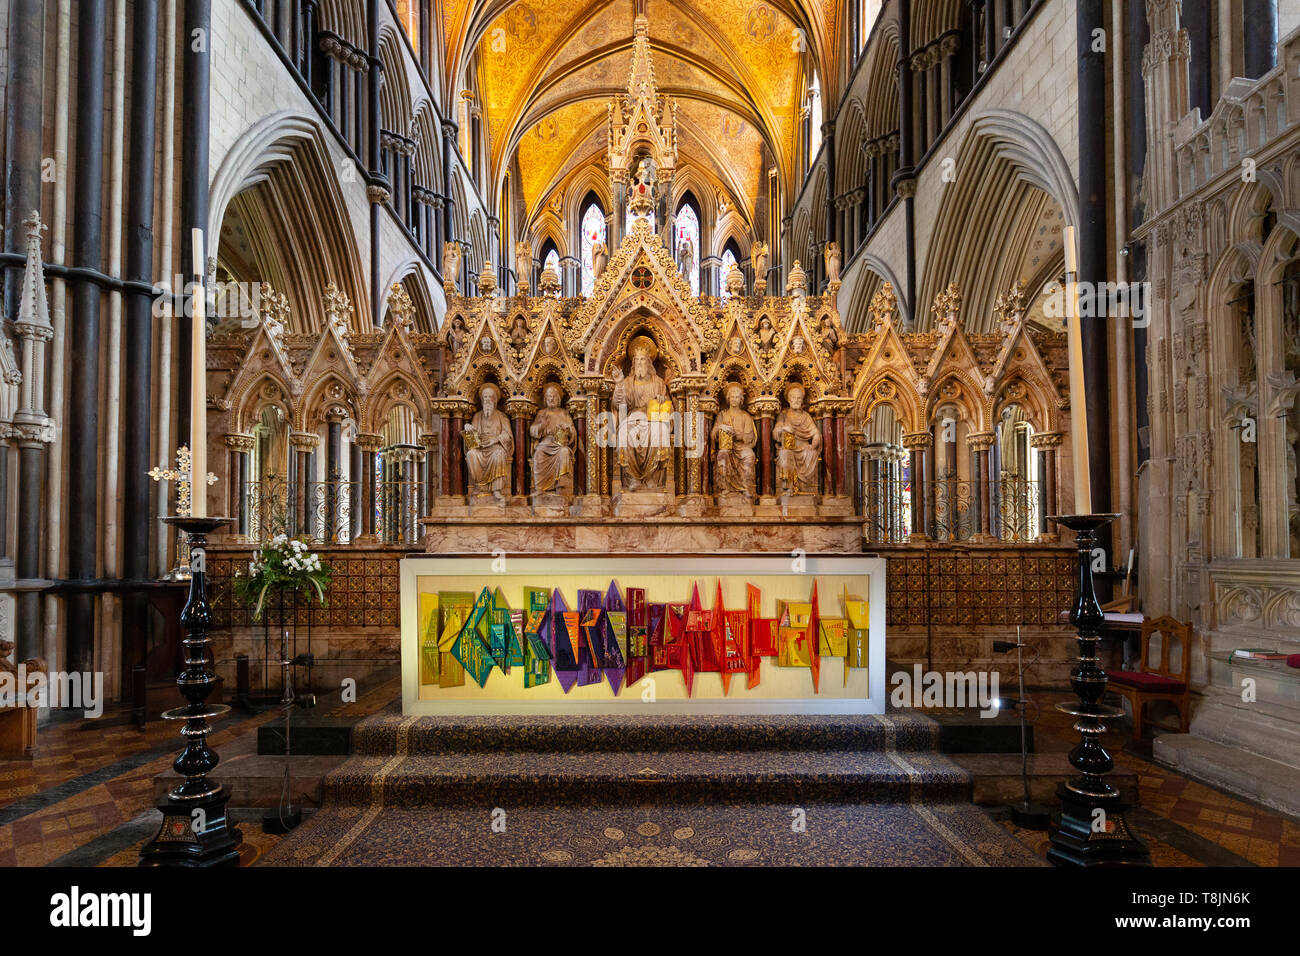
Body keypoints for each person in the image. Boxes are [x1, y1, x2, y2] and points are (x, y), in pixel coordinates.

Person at [611, 335, 672, 491]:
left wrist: (661, 402)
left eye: (643, 360)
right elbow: (619, 403)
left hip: (652, 419)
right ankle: (633, 479)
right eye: (637, 360)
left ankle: (651, 477)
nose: (640, 363)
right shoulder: (627, 382)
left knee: (660, 433)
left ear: (649, 361)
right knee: (624, 434)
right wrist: (618, 384)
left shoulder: (658, 382)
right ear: (633, 363)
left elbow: (668, 406)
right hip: (632, 418)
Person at [464, 383, 514, 501]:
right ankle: (479, 486)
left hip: (496, 446)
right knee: (471, 454)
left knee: (499, 453)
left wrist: (496, 439)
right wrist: (467, 427)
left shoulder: (501, 416)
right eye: (485, 397)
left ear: (495, 399)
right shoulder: (477, 416)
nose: (487, 400)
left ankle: (496, 490)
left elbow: (508, 435)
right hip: (480, 446)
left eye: (490, 397)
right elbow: (473, 434)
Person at [774, 384, 821, 496]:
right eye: (793, 397)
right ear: (789, 400)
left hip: (803, 447)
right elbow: (776, 432)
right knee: (785, 453)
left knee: (812, 453)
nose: (796, 400)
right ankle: (788, 487)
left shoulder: (806, 416)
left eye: (798, 398)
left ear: (802, 400)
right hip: (788, 446)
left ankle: (807, 489)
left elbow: (815, 432)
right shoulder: (783, 415)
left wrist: (814, 442)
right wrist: (783, 428)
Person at [712, 383, 757, 498]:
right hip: (726, 447)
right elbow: (713, 434)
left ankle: (746, 487)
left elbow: (749, 437)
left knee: (749, 456)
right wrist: (720, 427)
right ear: (728, 398)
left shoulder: (745, 416)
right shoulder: (722, 415)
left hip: (741, 447)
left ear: (741, 399)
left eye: (737, 397)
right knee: (722, 454)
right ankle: (724, 487)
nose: (734, 399)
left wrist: (735, 435)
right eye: (732, 396)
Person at [530, 383, 575, 497]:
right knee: (538, 454)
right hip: (545, 443)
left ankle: (562, 487)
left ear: (559, 398)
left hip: (560, 444)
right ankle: (540, 488)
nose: (552, 398)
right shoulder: (542, 413)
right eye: (549, 396)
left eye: (555, 396)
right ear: (545, 398)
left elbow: (572, 430)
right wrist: (541, 426)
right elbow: (532, 430)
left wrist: (567, 429)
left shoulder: (564, 413)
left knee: (564, 452)